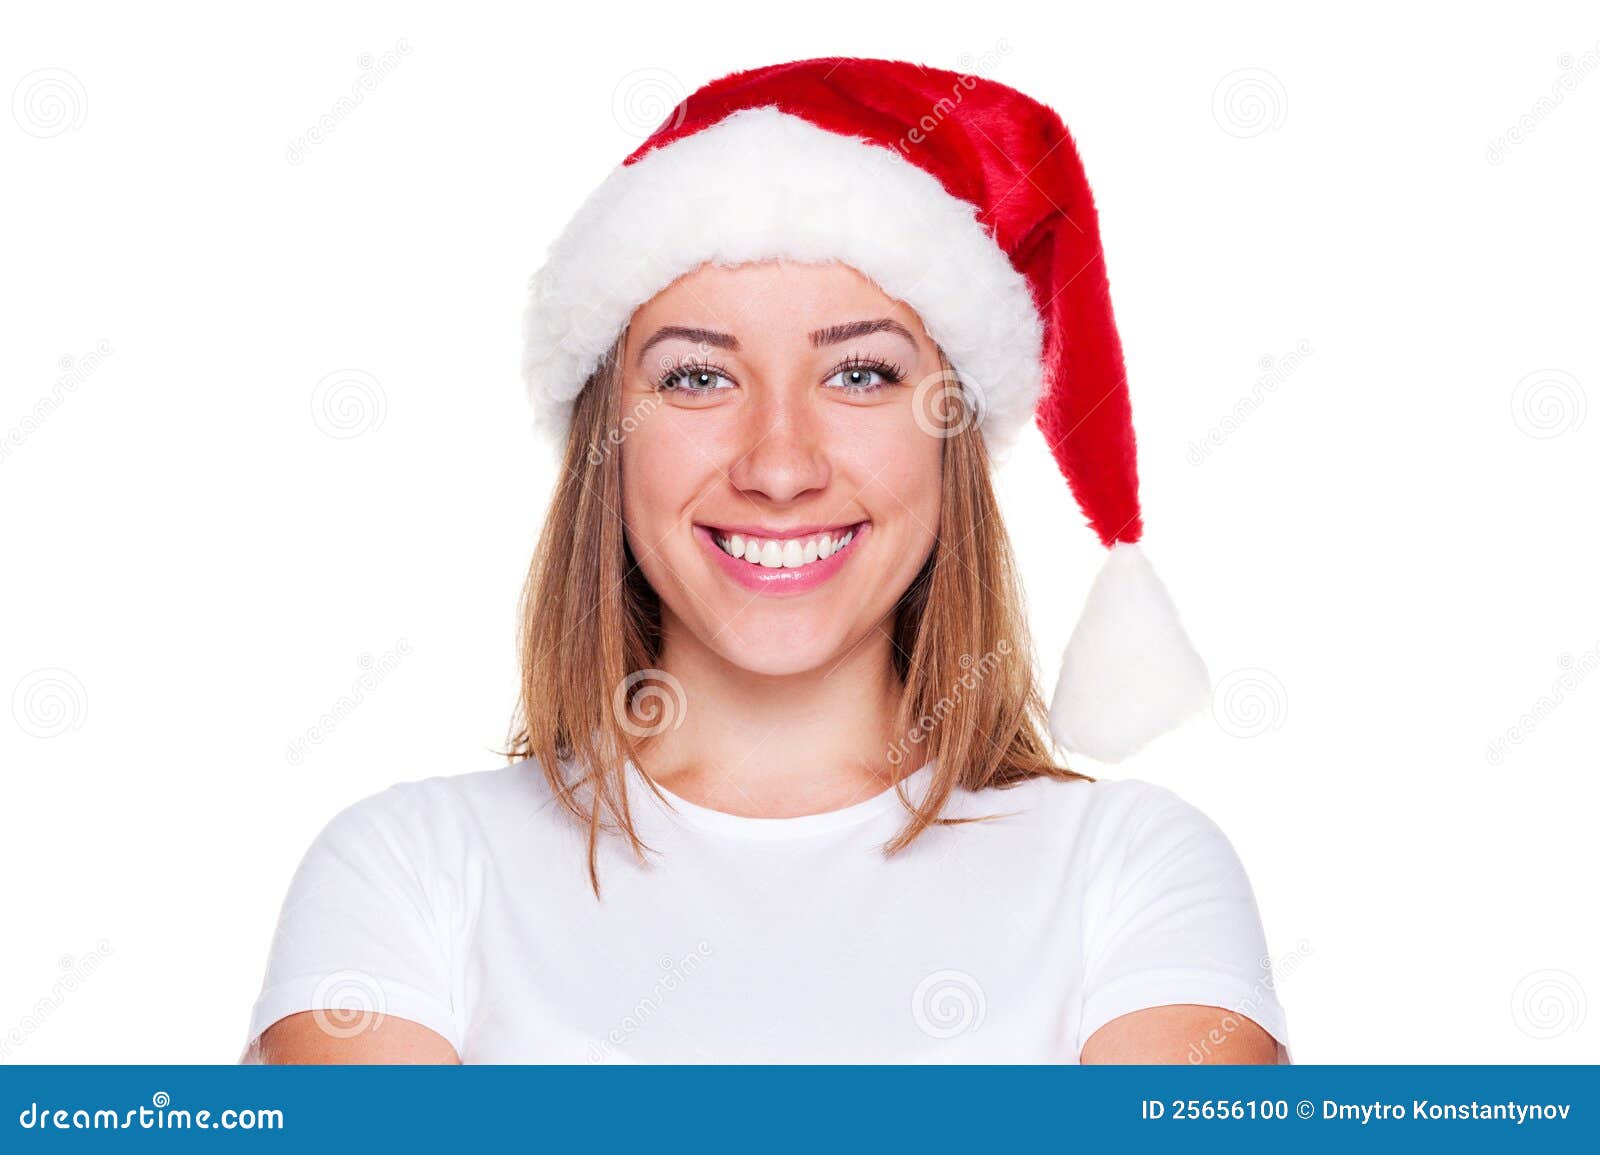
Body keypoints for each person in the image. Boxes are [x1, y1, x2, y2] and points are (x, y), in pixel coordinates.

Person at [244, 58, 1290, 1064]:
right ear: (607, 442)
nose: (779, 466)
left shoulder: (1130, 870)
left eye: (862, 374)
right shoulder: (410, 870)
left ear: (948, 435)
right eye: (697, 377)